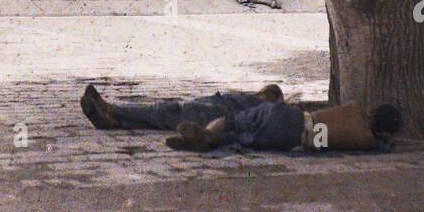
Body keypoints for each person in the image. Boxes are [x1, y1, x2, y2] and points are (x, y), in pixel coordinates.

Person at [168, 99, 403, 154]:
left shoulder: (356, 108)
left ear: (374, 111)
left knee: (234, 120)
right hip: (291, 138)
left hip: (290, 115)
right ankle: (210, 142)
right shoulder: (366, 140)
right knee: (241, 140)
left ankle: (208, 133)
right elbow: (381, 146)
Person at [80, 83, 283, 131]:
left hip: (207, 113)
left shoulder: (258, 105)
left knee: (160, 112)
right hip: (208, 111)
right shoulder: (257, 107)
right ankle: (115, 119)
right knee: (158, 118)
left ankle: (113, 110)